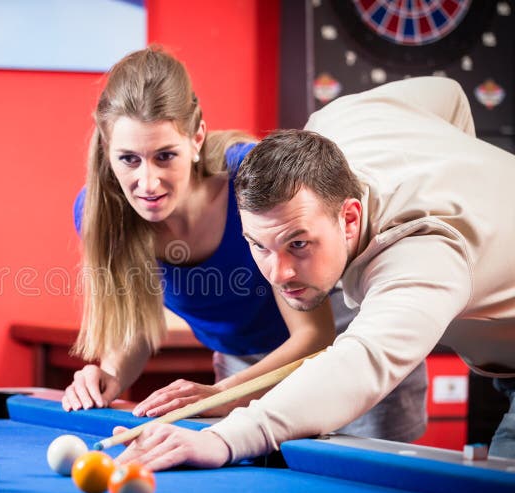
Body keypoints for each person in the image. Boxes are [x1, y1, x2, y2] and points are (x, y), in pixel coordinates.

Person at [115, 76, 515, 471]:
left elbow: (360, 365)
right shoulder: (340, 122)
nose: (279, 273)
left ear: (350, 218)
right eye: (258, 245)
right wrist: (472, 177)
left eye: (298, 244)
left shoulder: (422, 253)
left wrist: (222, 438)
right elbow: (448, 94)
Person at [63, 46, 428, 444]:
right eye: (129, 159)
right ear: (107, 149)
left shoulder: (251, 180)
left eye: (165, 156)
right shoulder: (102, 213)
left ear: (196, 138)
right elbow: (136, 326)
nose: (147, 182)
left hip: (345, 345)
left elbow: (313, 335)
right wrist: (110, 373)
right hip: (242, 365)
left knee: (362, 479)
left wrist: (224, 393)